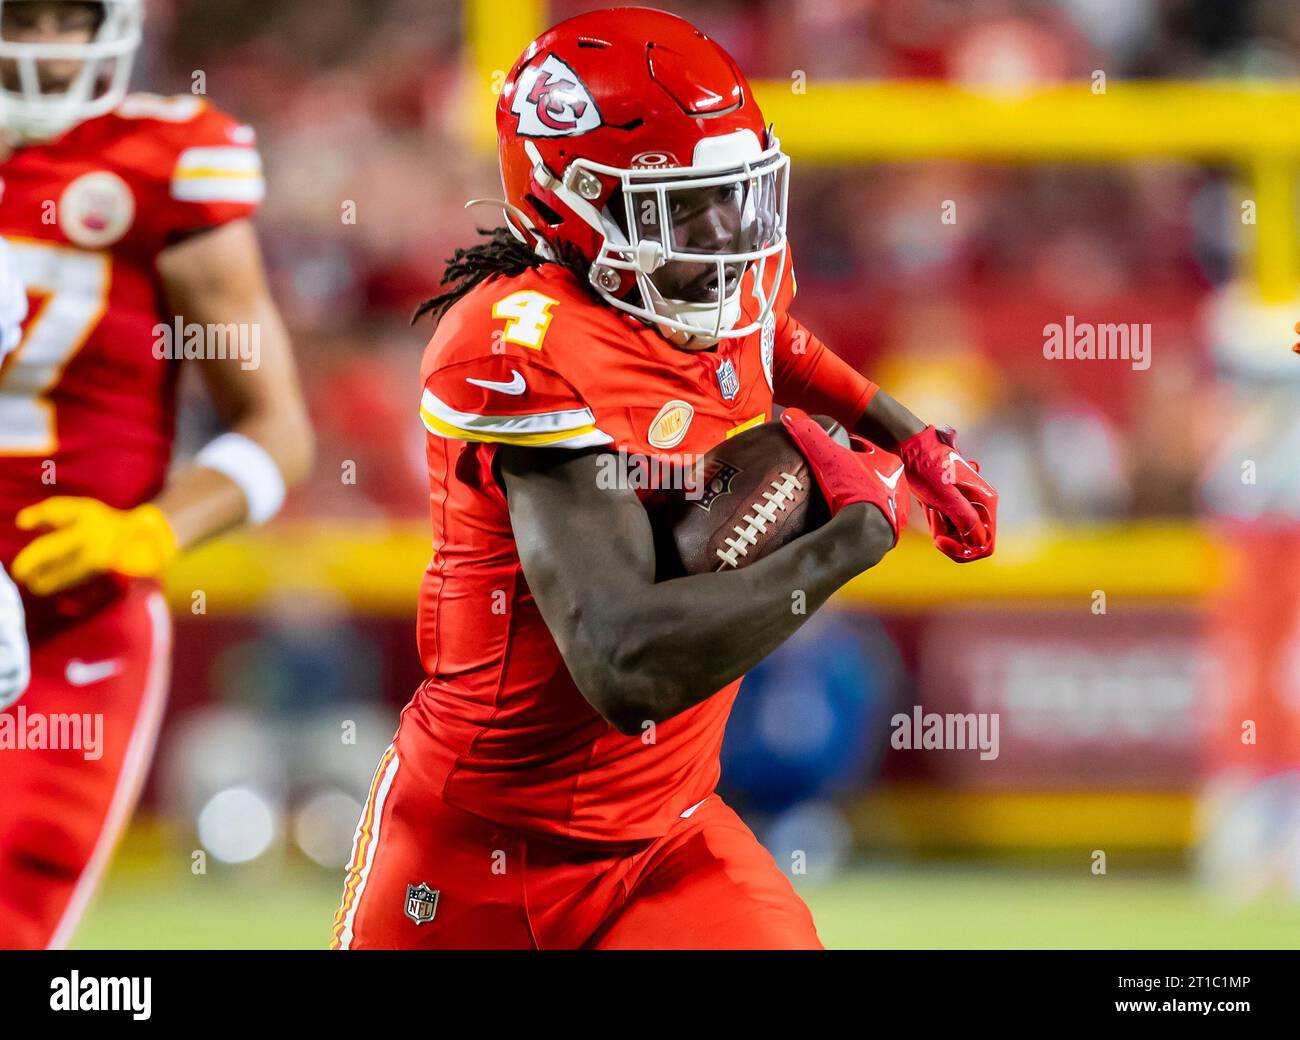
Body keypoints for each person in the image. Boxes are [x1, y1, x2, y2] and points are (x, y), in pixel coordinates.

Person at [332, 7, 996, 950]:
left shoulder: (719, 280)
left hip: (665, 837)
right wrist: (854, 536)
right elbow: (625, 664)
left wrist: (908, 435)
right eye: (683, 206)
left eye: (737, 194)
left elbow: (773, 340)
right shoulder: (519, 346)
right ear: (570, 201)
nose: (728, 235)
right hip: (479, 847)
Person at [0, 0, 313, 949]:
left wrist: (150, 531)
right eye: (22, 13)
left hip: (69, 631)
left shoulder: (162, 163)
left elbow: (280, 431)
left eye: (69, 16)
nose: (47, 48)